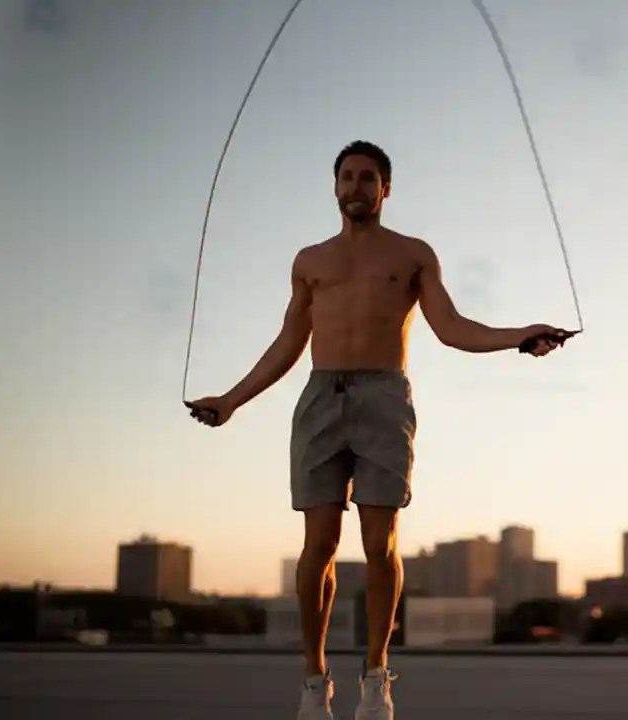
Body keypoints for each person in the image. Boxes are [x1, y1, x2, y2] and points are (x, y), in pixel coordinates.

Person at [185, 140, 569, 720]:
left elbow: (452, 328)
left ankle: (374, 676)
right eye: (347, 177)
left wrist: (520, 336)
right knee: (318, 547)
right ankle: (314, 681)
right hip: (320, 398)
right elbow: (290, 342)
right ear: (335, 186)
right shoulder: (309, 261)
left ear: (386, 189)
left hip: (385, 397)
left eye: (368, 178)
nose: (356, 187)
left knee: (379, 543)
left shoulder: (413, 254)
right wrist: (232, 400)